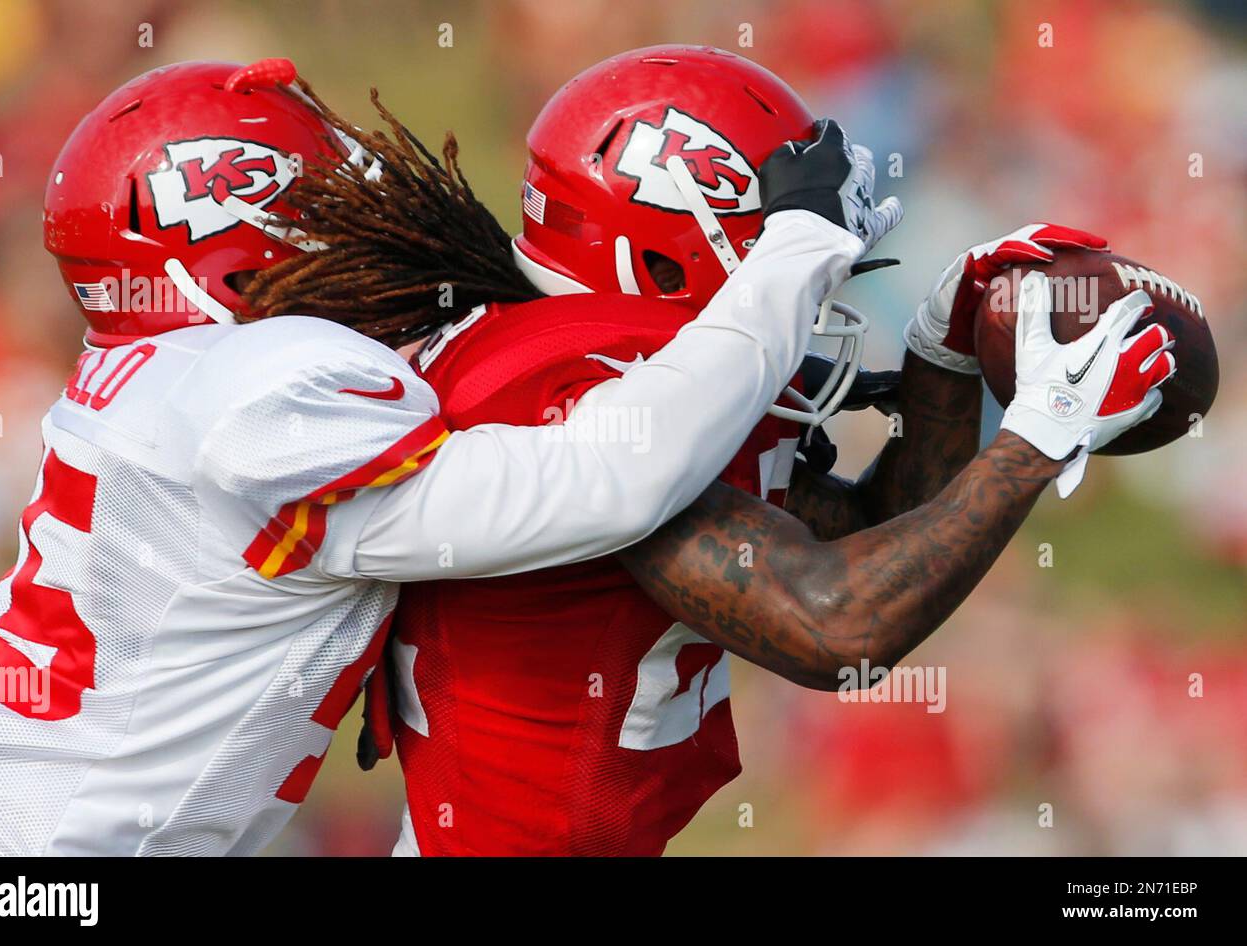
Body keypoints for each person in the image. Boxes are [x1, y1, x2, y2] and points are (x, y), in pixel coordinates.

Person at [0, 57, 899, 856]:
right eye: (325, 204)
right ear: (235, 259)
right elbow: (610, 478)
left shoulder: (153, 370)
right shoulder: (262, 388)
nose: (367, 219)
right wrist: (790, 252)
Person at [252, 46, 1170, 856]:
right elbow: (839, 628)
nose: (812, 299)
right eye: (781, 252)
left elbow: (863, 537)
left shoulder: (624, 370)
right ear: (660, 263)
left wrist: (943, 350)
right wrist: (1036, 438)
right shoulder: (585, 405)